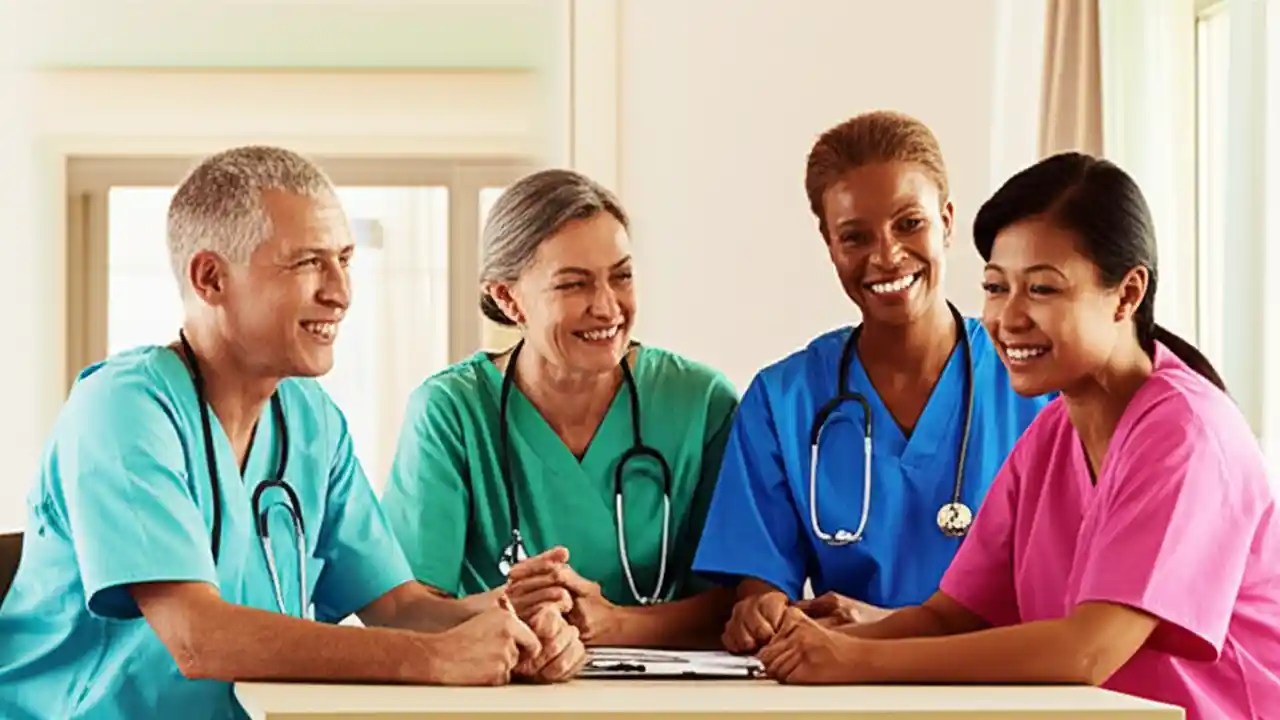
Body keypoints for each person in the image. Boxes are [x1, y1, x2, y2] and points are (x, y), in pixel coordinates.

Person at [0, 147, 584, 720]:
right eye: (307, 263)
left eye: (344, 259)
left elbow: (398, 607)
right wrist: (434, 659)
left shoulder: (310, 419)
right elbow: (197, 638)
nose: (340, 292)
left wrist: (513, 624)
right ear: (210, 278)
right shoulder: (121, 408)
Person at [756, 152, 1280, 719]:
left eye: (1043, 289)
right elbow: (951, 616)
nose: (1008, 319)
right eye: (995, 287)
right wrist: (816, 646)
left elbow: (1087, 652)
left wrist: (857, 660)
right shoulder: (1052, 434)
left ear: (1127, 295)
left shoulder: (1185, 433)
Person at [692, 110, 1054, 653]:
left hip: (1008, 683)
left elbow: (1065, 599)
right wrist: (761, 610)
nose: (886, 256)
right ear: (829, 243)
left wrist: (888, 627)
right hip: (847, 685)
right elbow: (761, 581)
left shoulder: (1037, 383)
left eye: (910, 224)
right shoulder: (783, 401)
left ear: (947, 221)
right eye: (855, 237)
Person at [380, 168, 740, 649]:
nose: (607, 307)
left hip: (664, 687)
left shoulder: (700, 402)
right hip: (501, 682)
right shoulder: (451, 412)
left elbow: (739, 603)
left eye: (621, 276)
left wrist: (616, 625)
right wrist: (508, 610)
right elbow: (410, 612)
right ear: (508, 298)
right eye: (574, 285)